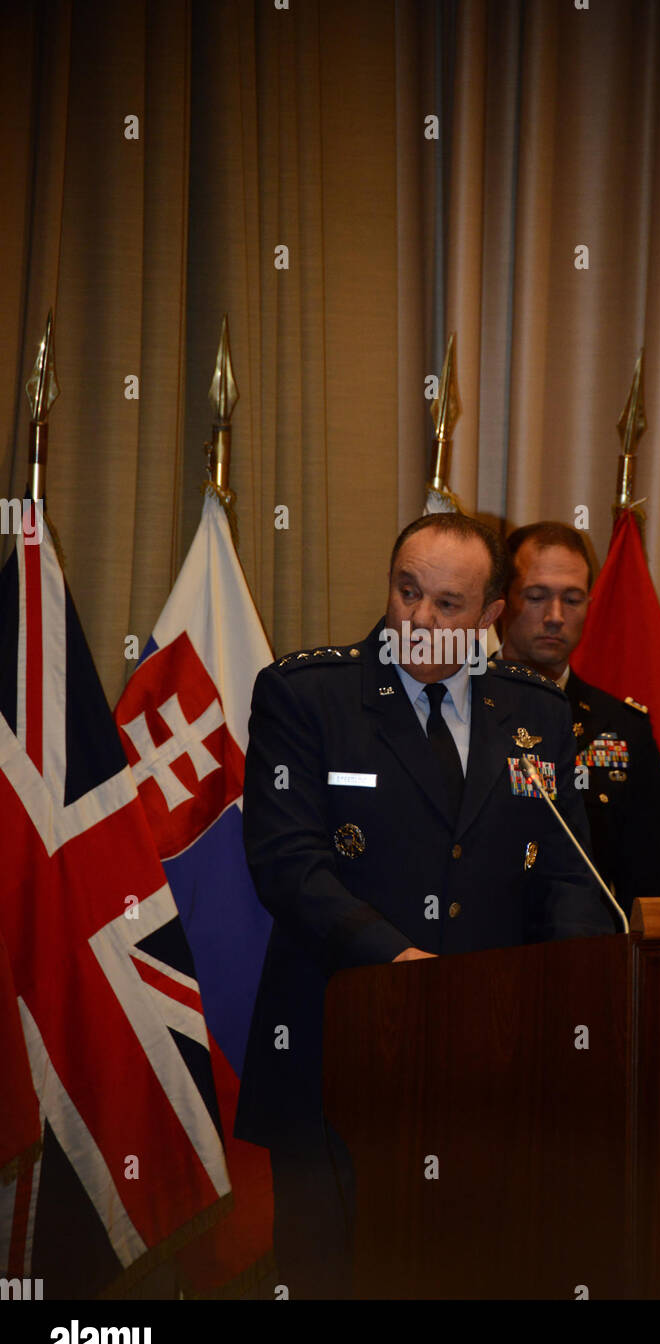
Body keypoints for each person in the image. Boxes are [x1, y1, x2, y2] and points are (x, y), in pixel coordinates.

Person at [235, 512, 613, 1298]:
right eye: (407, 591)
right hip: (334, 1049)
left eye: (447, 605)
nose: (417, 619)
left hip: (489, 1063)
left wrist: (563, 985)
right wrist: (401, 966)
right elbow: (288, 867)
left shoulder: (536, 715)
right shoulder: (307, 694)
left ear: (488, 618)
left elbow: (571, 875)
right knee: (333, 1277)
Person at [499, 521, 660, 922]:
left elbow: (650, 887)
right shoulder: (461, 708)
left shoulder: (623, 729)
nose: (555, 616)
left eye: (573, 599)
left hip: (590, 956)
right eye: (536, 596)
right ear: (503, 600)